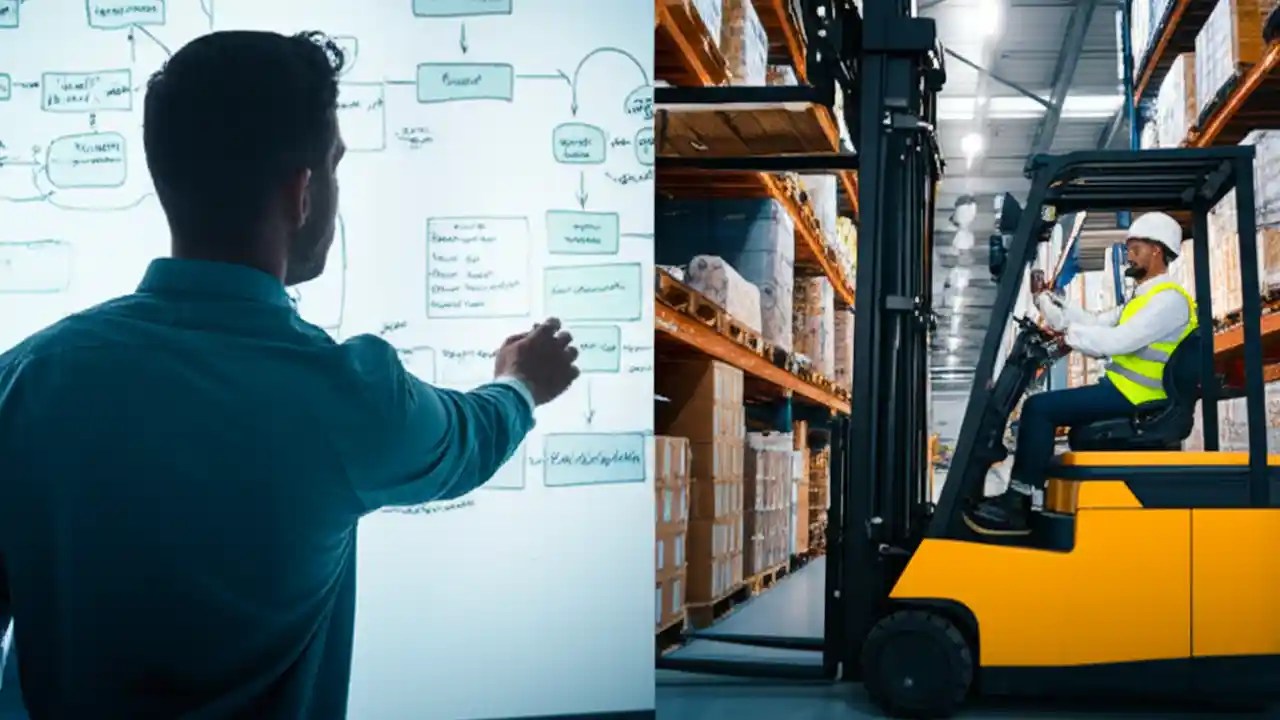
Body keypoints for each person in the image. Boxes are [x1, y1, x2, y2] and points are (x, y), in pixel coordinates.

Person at [0, 31, 580, 719]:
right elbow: (470, 437)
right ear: (302, 192)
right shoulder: (351, 394)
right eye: (334, 165)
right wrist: (520, 381)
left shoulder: (26, 380)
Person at [965, 211, 1196, 535]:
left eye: (1136, 248)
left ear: (1157, 250)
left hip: (1142, 398)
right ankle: (1020, 495)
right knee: (1043, 408)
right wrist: (1047, 303)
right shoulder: (1144, 298)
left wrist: (1070, 336)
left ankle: (1016, 503)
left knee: (1039, 409)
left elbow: (1118, 341)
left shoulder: (1169, 301)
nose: (1130, 255)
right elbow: (1095, 321)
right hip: (1125, 391)